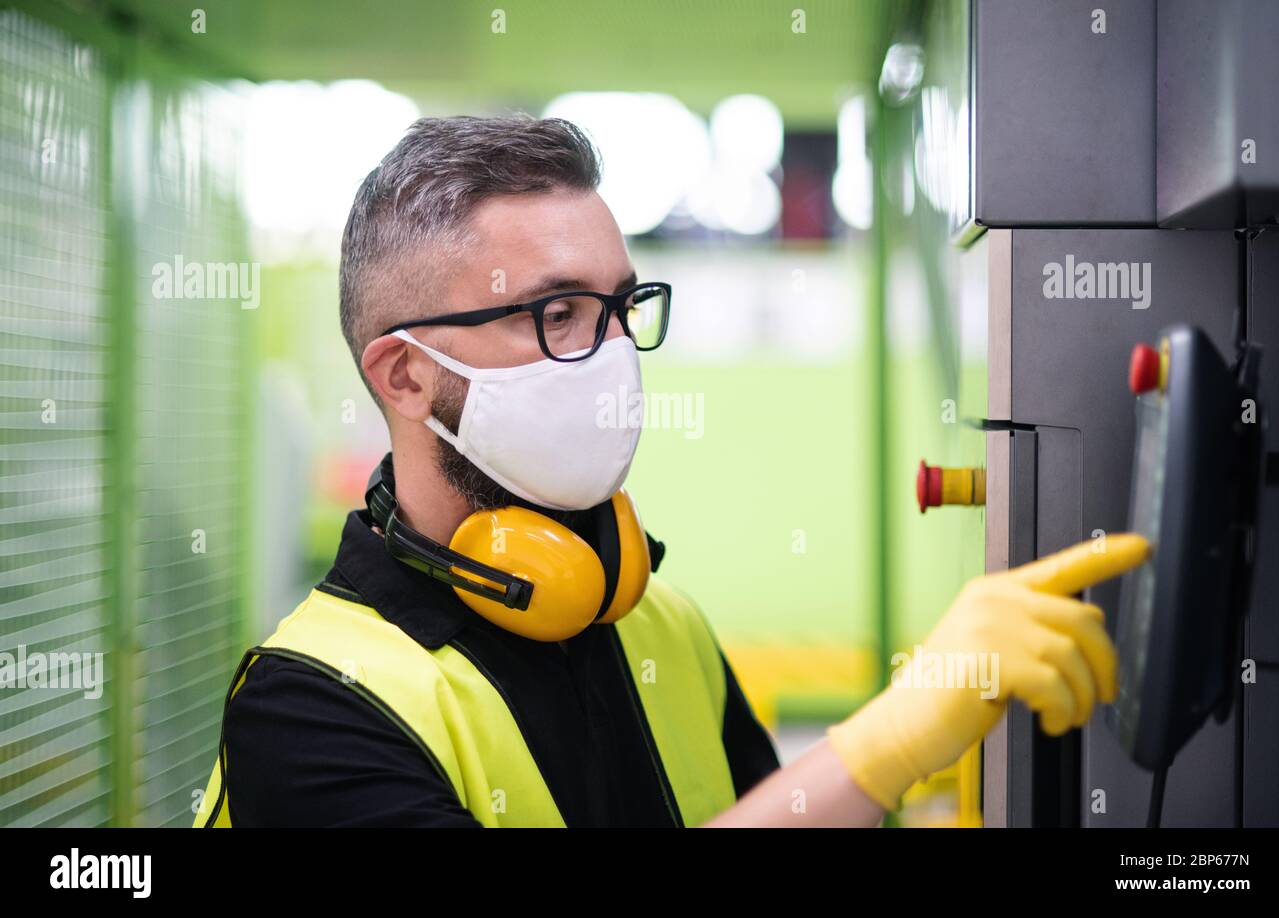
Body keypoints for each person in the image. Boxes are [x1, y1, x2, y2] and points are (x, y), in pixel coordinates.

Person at [193, 115, 1148, 828]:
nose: (614, 354)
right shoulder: (308, 706)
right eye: (556, 313)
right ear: (404, 375)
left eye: (621, 305)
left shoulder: (660, 624)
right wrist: (886, 743)